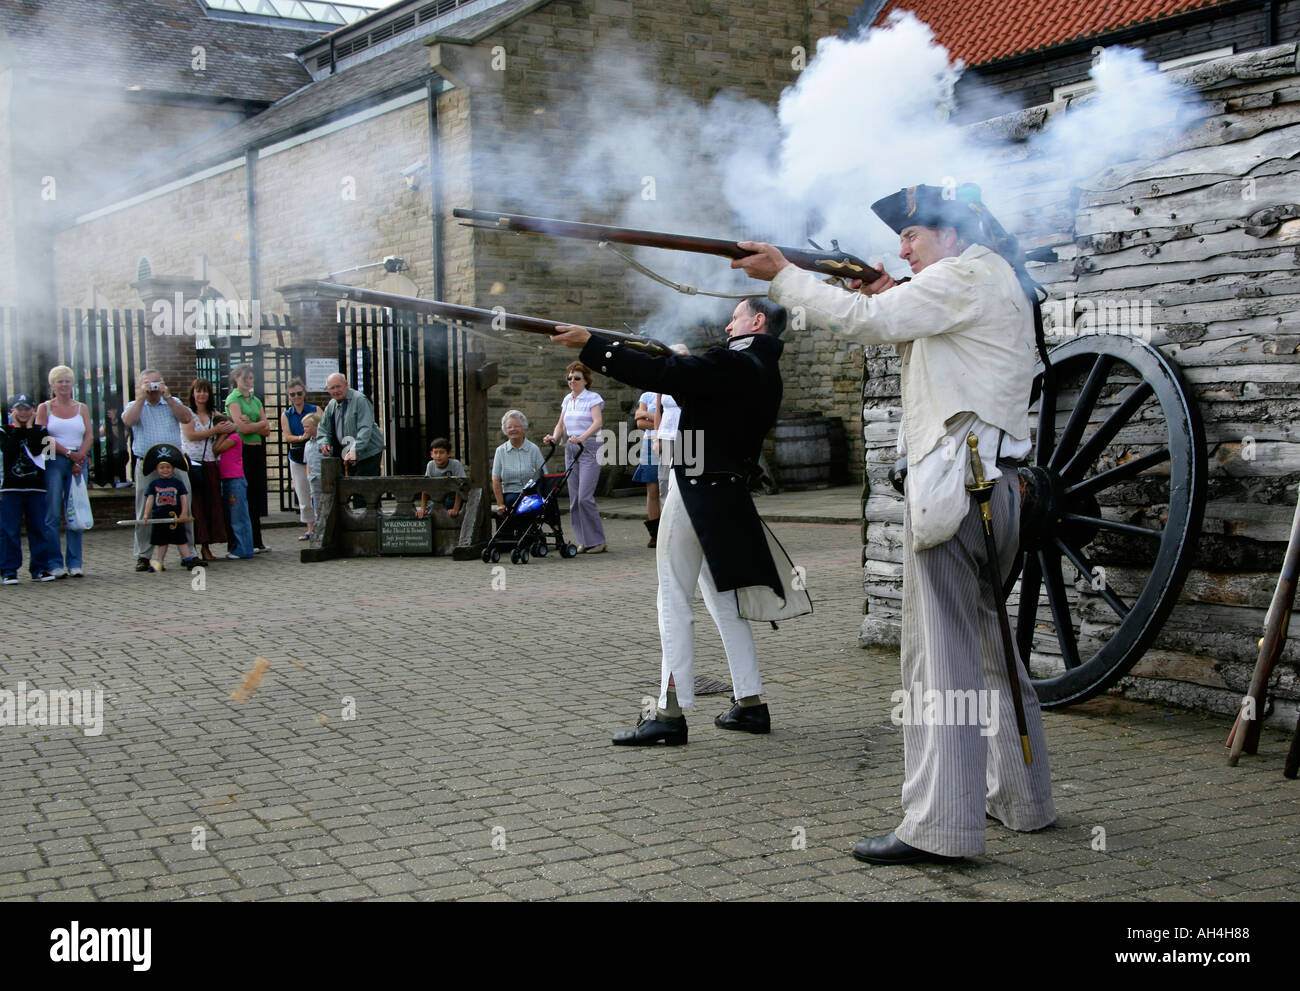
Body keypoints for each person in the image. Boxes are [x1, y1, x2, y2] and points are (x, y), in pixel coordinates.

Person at [732, 183, 1056, 865]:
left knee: (937, 663)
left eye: (912, 236)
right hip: (999, 489)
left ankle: (939, 826)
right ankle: (1022, 800)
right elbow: (924, 342)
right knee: (994, 651)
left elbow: (864, 322)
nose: (902, 248)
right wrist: (888, 292)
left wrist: (784, 276)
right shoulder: (993, 281)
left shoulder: (960, 275)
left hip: (957, 494)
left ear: (953, 235)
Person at [552, 297, 802, 745]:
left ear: (757, 322)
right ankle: (750, 702)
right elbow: (694, 389)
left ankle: (669, 714)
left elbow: (667, 378)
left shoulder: (738, 361)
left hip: (696, 487)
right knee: (725, 602)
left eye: (735, 317)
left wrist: (596, 347)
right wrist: (670, 359)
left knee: (672, 598)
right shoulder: (760, 368)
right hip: (726, 493)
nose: (728, 326)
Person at [122, 368, 192, 572]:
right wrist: (142, 398)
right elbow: (129, 421)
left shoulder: (173, 402)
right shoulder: (134, 405)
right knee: (144, 508)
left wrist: (167, 396)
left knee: (184, 504)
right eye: (148, 383)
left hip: (174, 462)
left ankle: (189, 553)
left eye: (155, 383)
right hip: (147, 463)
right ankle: (143, 556)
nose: (152, 387)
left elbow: (186, 418)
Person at [543, 362, 606, 553]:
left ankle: (598, 541)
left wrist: (582, 438)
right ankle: (584, 541)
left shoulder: (593, 398)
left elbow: (598, 422)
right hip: (571, 448)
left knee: (584, 498)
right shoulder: (568, 400)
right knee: (574, 498)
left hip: (589, 447)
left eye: (577, 378)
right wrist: (554, 437)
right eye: (569, 378)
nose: (572, 381)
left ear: (586, 381)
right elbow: (561, 424)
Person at [35, 364, 91, 578]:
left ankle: (75, 562)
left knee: (75, 510)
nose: (64, 384)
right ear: (53, 385)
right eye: (60, 381)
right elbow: (43, 436)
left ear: (72, 383)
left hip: (79, 461)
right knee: (51, 512)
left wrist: (80, 458)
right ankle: (54, 562)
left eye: (67, 380)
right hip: (53, 459)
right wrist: (68, 453)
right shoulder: (45, 408)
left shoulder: (82, 408)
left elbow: (88, 435)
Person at [1, 394, 57, 583]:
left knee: (39, 529)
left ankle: (40, 568)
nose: (23, 413)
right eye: (19, 409)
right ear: (12, 412)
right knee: (9, 531)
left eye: (27, 409)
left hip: (36, 489)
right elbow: (8, 453)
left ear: (33, 411)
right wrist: (17, 429)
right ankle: (9, 570)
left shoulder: (42, 431)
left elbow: (45, 455)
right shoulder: (3, 431)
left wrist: (32, 428)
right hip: (10, 490)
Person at [182, 378, 234, 561]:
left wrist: (230, 426)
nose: (201, 394)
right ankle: (192, 548)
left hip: (210, 462)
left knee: (211, 505)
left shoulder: (214, 413)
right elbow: (190, 435)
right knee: (195, 506)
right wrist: (214, 431)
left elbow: (231, 425)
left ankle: (207, 546)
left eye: (205, 391)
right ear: (193, 393)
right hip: (192, 463)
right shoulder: (187, 413)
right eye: (198, 391)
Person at [224, 363, 271, 553]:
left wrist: (254, 424)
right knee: (243, 496)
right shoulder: (233, 399)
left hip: (257, 450)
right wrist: (258, 424)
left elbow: (267, 430)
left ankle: (257, 541)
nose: (249, 382)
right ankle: (243, 541)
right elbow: (242, 429)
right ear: (236, 379)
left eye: (251, 378)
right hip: (241, 451)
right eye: (245, 378)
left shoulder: (256, 400)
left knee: (256, 495)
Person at [317, 372, 385, 476]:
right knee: (351, 488)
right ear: (328, 389)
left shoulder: (360, 400)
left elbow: (365, 428)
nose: (336, 391)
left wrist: (355, 449)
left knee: (364, 489)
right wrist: (324, 443)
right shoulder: (331, 404)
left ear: (346, 385)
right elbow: (323, 428)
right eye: (332, 388)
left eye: (338, 386)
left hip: (368, 453)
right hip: (347, 453)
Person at [140, 456, 200, 573]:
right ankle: (159, 563)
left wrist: (183, 513)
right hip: (159, 517)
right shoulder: (153, 484)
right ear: (156, 469)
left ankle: (188, 560)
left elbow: (183, 498)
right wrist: (146, 514)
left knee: (181, 540)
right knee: (162, 542)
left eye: (168, 467)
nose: (165, 470)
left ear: (173, 469)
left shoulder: (178, 483)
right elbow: (150, 499)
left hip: (175, 517)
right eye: (162, 467)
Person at [280, 377, 319, 541]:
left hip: (314, 454)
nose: (296, 397)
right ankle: (309, 528)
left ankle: (320, 525)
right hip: (297, 455)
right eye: (292, 394)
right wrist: (301, 437)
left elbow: (322, 428)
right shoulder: (286, 414)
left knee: (316, 491)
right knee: (302, 493)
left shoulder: (315, 409)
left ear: (304, 393)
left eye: (299, 393)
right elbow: (287, 436)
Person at [212, 413, 254, 560]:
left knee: (239, 516)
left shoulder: (234, 438)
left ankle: (245, 549)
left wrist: (222, 434)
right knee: (232, 516)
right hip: (227, 479)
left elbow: (216, 449)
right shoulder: (227, 437)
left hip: (235, 479)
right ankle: (237, 546)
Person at [490, 410, 544, 517]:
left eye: (516, 426)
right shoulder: (500, 451)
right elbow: (495, 480)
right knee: (513, 502)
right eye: (509, 427)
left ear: (523, 428)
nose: (513, 429)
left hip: (531, 493)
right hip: (510, 493)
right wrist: (500, 504)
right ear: (505, 430)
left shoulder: (534, 449)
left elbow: (543, 474)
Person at [631, 392, 660, 547]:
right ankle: (655, 534)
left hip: (673, 440)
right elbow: (640, 424)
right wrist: (662, 422)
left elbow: (676, 422)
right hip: (649, 442)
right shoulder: (647, 395)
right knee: (652, 488)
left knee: (669, 488)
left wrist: (647, 414)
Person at [417, 438, 465, 520]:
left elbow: (461, 487)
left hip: (453, 498)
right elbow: (425, 487)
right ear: (431, 454)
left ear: (448, 453)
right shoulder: (430, 465)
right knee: (425, 512)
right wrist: (423, 508)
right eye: (435, 453)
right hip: (438, 499)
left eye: (441, 452)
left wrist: (455, 509)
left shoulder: (455, 464)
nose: (438, 456)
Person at [98, 402, 130, 488]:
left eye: (110, 409)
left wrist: (113, 423)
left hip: (120, 453)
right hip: (107, 454)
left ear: (115, 410)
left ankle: (119, 480)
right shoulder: (106, 424)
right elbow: (99, 434)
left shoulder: (124, 422)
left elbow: (122, 436)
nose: (108, 411)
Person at [302, 412, 323, 523]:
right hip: (314, 479)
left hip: (325, 478)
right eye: (304, 426)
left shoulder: (324, 442)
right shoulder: (307, 445)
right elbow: (307, 463)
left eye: (307, 426)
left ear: (316, 426)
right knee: (317, 507)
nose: (305, 429)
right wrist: (309, 476)